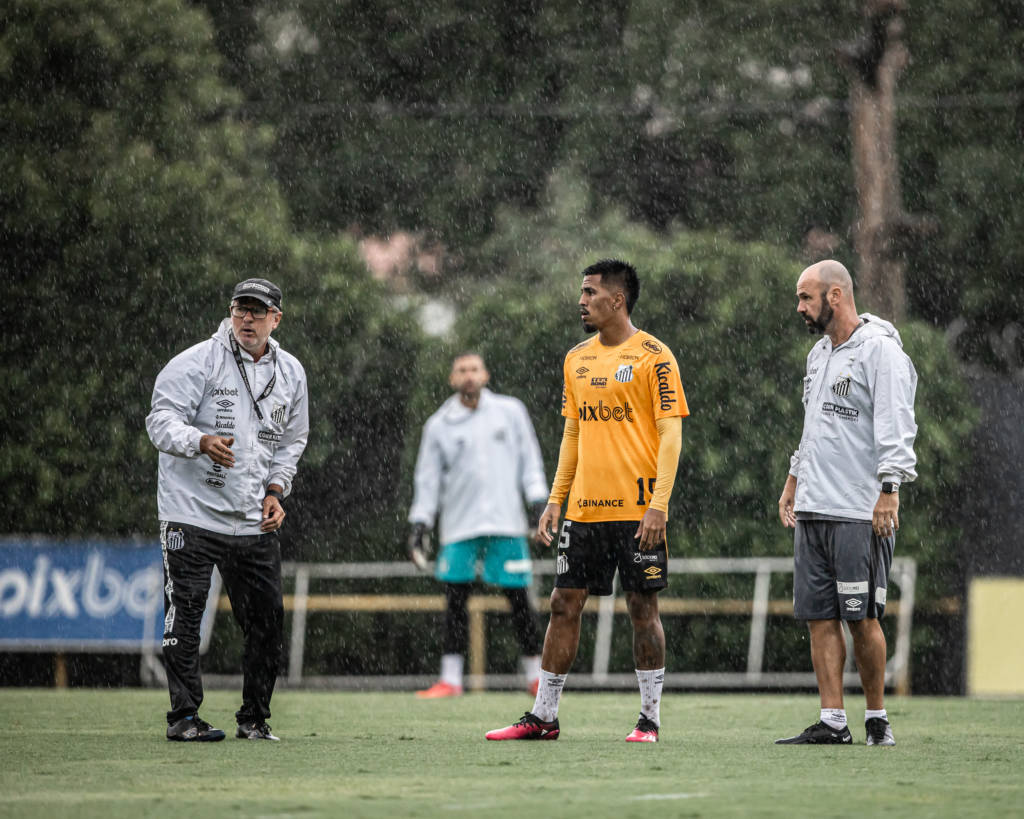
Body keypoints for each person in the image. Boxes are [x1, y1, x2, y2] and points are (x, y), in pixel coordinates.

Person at [486, 259, 689, 743]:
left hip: (640, 513)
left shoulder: (655, 357)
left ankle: (649, 719)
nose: (581, 301)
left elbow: (671, 435)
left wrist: (659, 503)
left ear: (617, 300)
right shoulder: (576, 358)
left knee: (642, 610)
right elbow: (572, 433)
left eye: (590, 292)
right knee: (562, 603)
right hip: (584, 511)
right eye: (581, 293)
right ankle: (544, 716)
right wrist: (556, 500)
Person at [146, 278, 308, 742]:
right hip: (191, 513)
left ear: (276, 318)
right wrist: (199, 441)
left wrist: (277, 489)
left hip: (253, 518)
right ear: (231, 311)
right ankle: (183, 718)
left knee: (266, 621)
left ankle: (254, 720)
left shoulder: (291, 371)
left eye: (258, 312)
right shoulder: (197, 360)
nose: (248, 319)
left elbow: (292, 439)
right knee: (186, 615)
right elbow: (159, 420)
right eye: (241, 309)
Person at [775, 259, 917, 746]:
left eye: (805, 297)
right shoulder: (818, 354)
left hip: (859, 510)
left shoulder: (881, 352)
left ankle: (876, 718)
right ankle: (833, 721)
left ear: (835, 296)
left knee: (862, 618)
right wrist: (794, 479)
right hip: (814, 504)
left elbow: (897, 426)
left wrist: (889, 491)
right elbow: (813, 426)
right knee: (819, 618)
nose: (800, 307)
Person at [407, 353, 548, 697]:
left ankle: (537, 677)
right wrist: (419, 522)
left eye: (474, 369)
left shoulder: (510, 412)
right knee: (455, 599)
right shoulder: (439, 424)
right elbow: (427, 479)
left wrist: (538, 501)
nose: (468, 376)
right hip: (459, 526)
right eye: (461, 371)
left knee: (518, 598)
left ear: (485, 374)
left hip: (506, 522)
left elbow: (530, 458)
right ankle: (451, 679)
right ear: (453, 379)